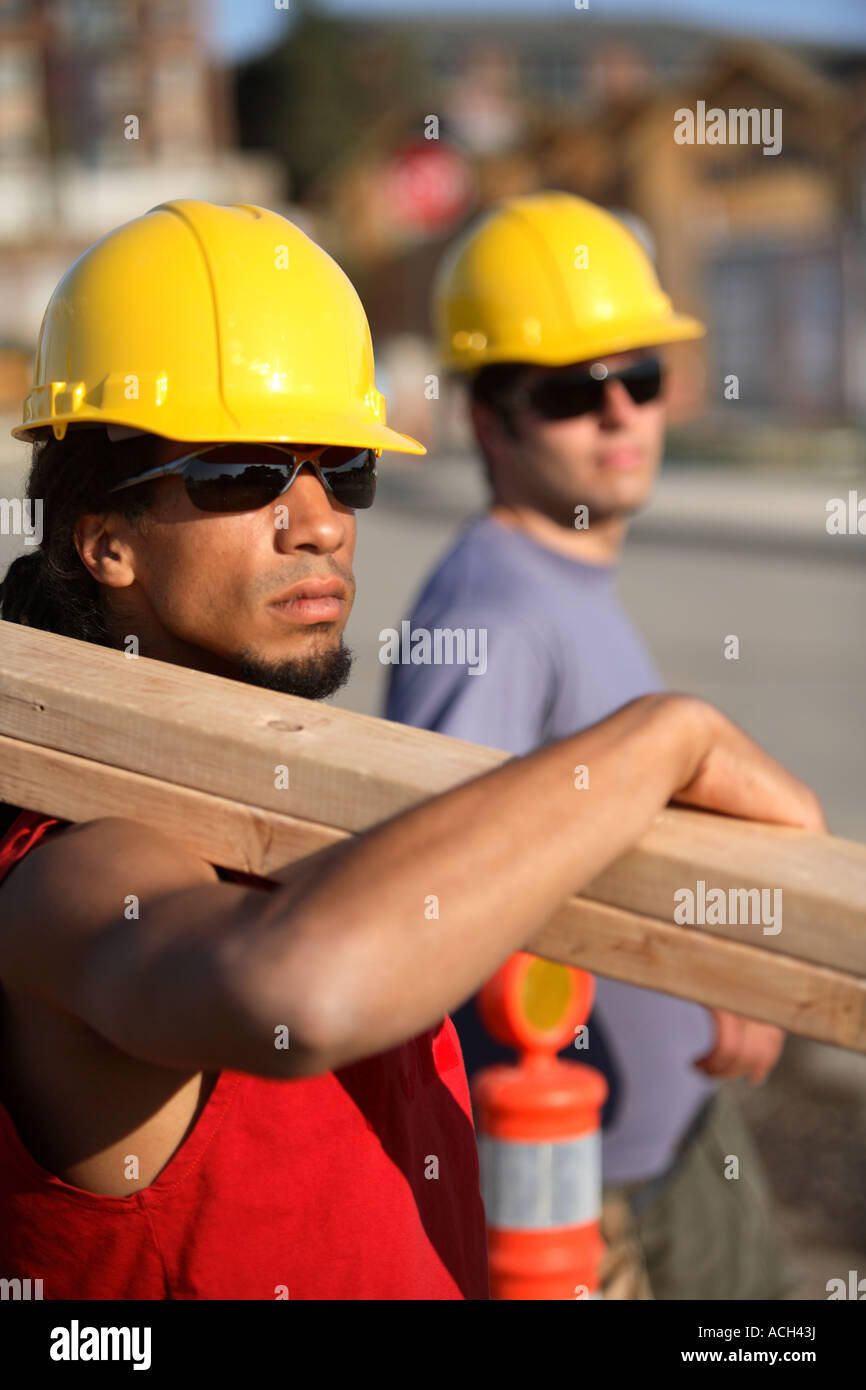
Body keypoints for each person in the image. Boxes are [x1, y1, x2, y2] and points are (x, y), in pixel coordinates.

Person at [0, 199, 822, 1301]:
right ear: (105, 539)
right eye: (242, 473)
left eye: (338, 467)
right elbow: (296, 995)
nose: (321, 520)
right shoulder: (74, 863)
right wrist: (655, 742)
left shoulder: (266, 790)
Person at [387, 191, 796, 1300]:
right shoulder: (494, 613)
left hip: (667, 1136)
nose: (617, 414)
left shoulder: (557, 576)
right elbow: (436, 897)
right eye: (570, 392)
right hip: (584, 1188)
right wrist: (705, 953)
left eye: (639, 379)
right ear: (488, 421)